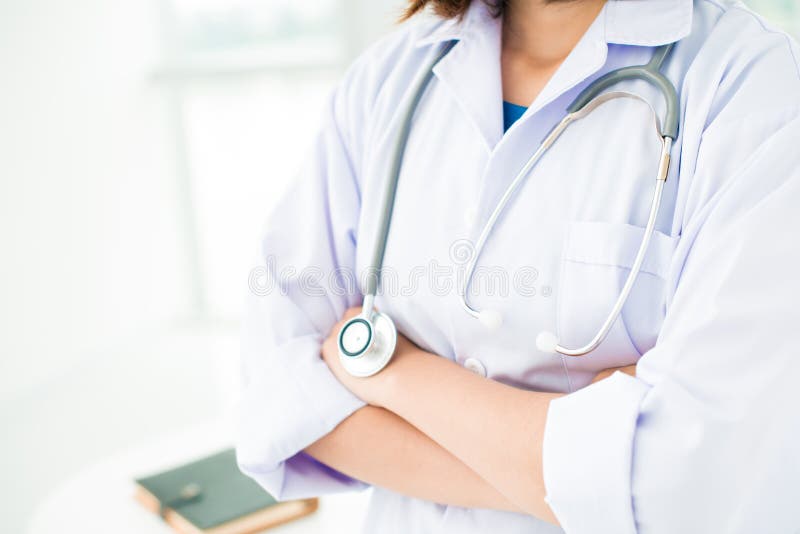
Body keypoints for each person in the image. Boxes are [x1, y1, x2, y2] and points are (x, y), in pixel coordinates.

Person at [236, 0, 800, 532]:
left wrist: (391, 373)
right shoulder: (390, 75)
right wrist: (589, 470)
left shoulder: (750, 88)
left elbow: (689, 478)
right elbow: (280, 398)